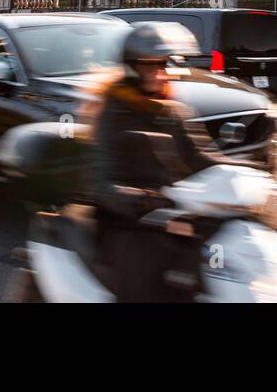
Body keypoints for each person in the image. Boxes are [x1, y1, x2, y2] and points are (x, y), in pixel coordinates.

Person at [89, 21, 225, 302]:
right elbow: (102, 182)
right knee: (146, 278)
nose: (158, 73)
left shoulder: (172, 110)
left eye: (161, 65)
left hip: (165, 216)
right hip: (123, 224)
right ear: (132, 67)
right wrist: (139, 200)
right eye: (149, 65)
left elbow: (198, 156)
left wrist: (236, 170)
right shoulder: (112, 111)